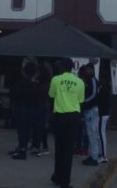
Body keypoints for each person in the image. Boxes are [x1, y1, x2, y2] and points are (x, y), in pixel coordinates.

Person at [48, 57, 84, 188]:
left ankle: (57, 176)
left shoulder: (55, 80)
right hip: (73, 118)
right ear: (72, 68)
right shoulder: (79, 82)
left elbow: (51, 96)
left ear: (62, 67)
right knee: (68, 150)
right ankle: (65, 182)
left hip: (59, 117)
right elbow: (80, 100)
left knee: (59, 148)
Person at [11, 61, 36, 159]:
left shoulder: (21, 82)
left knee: (21, 130)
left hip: (21, 107)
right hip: (30, 108)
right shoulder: (33, 83)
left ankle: (21, 150)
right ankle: (22, 148)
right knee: (26, 130)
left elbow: (14, 94)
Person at [81, 62, 100, 166]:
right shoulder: (86, 80)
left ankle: (94, 157)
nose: (87, 71)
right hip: (88, 110)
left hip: (92, 110)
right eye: (87, 69)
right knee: (90, 134)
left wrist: (84, 102)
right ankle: (93, 155)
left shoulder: (92, 80)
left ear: (92, 70)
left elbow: (93, 94)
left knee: (92, 134)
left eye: (89, 69)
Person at [94, 69, 112, 163]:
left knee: (101, 134)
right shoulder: (106, 87)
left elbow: (99, 100)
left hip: (102, 114)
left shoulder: (103, 88)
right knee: (101, 134)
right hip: (104, 113)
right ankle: (102, 154)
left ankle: (104, 156)